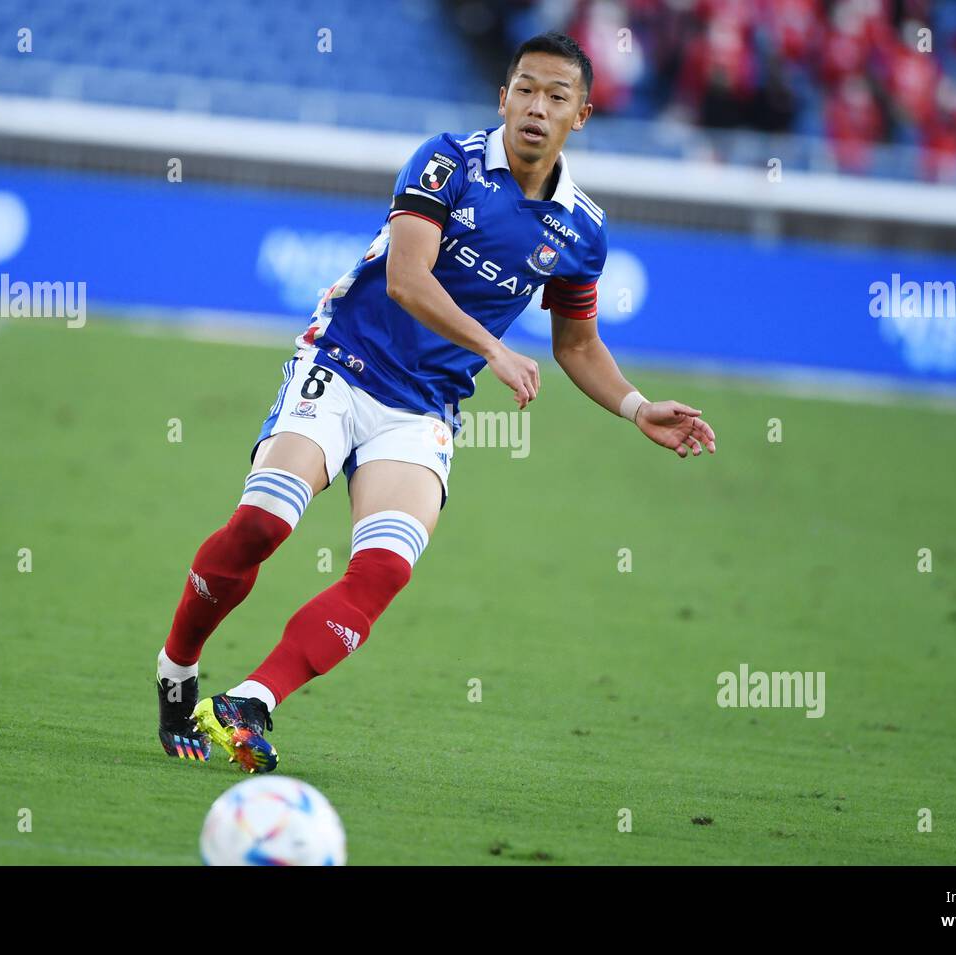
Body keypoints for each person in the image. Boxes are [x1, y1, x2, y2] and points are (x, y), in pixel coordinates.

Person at [155, 31, 717, 772]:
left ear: (581, 115)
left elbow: (577, 344)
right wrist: (493, 348)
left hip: (423, 407)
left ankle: (252, 700)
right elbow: (406, 279)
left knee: (383, 569)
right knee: (263, 522)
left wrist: (637, 407)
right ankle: (177, 668)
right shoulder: (447, 162)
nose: (535, 108)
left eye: (556, 97)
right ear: (503, 95)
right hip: (344, 362)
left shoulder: (582, 230)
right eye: (524, 88)